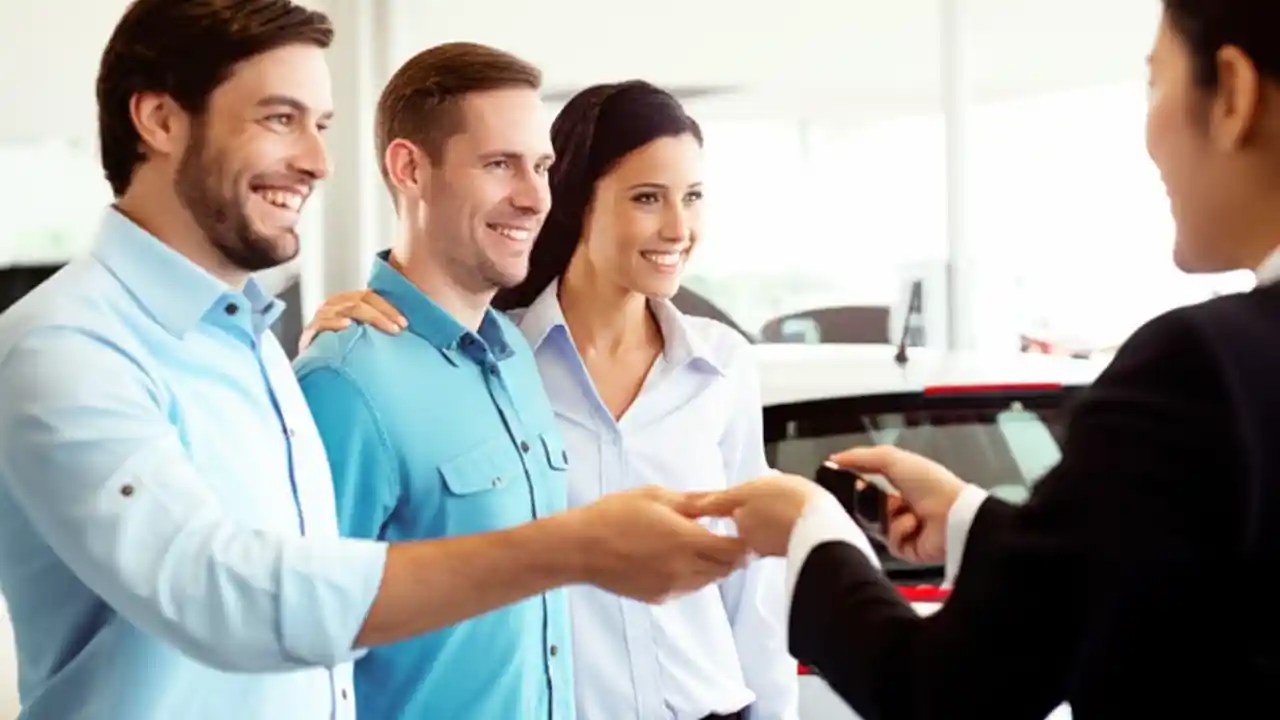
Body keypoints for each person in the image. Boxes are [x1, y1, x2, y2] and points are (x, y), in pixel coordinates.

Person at [0, 5, 745, 719]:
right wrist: (573, 549)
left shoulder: (254, 345)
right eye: (280, 119)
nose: (319, 162)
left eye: (320, 126)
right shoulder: (65, 347)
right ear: (159, 120)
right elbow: (227, 597)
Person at [686, 1, 1280, 717]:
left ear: (1234, 94)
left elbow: (942, 693)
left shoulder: (1200, 366)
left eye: (1155, 86)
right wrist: (972, 517)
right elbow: (1156, 573)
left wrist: (813, 529)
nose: (1149, 138)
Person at [303, 80, 808, 719]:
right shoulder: (498, 361)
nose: (679, 228)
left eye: (693, 197)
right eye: (648, 198)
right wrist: (344, 328)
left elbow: (754, 585)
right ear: (577, 203)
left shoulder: (723, 366)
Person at [293, 42, 574, 720]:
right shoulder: (342, 384)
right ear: (409, 167)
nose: (535, 197)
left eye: (541, 166)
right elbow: (298, 651)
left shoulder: (513, 349)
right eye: (500, 164)